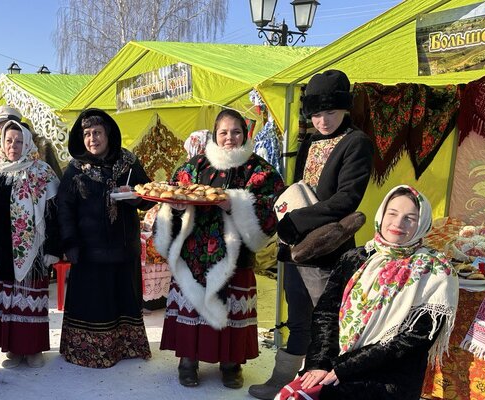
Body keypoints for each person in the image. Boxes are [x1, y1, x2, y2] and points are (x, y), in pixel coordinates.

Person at [250, 70, 374, 399]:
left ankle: (326, 388)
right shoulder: (309, 141)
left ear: (344, 109)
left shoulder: (356, 142)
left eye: (329, 112)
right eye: (316, 114)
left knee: (328, 319)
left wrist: (297, 220)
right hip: (295, 246)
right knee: (297, 315)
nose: (322, 120)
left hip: (329, 248)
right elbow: (299, 188)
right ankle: (283, 381)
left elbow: (347, 199)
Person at [276, 186, 458, 399]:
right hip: (336, 361)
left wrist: (343, 368)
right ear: (381, 215)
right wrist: (320, 363)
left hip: (389, 376)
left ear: (423, 223)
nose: (398, 223)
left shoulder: (435, 270)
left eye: (410, 218)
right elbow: (326, 314)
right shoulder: (356, 257)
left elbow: (414, 339)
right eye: (392, 213)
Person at [154, 109, 283, 389]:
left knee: (230, 306)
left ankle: (230, 363)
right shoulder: (196, 165)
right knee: (192, 301)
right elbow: (174, 193)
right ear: (215, 134)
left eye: (236, 132)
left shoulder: (258, 169)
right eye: (223, 132)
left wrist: (233, 203)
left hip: (234, 256)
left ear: (245, 134)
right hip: (194, 252)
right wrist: (176, 208)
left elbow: (272, 207)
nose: (229, 138)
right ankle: (188, 360)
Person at [57, 108, 153, 368]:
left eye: (97, 133)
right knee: (94, 300)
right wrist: (69, 243)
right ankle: (86, 350)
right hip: (89, 251)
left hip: (124, 247)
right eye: (87, 134)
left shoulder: (128, 162)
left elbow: (147, 195)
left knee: (123, 297)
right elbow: (64, 208)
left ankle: (125, 348)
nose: (92, 139)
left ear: (108, 134)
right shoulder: (75, 169)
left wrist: (136, 197)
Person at [0, 120, 62, 368]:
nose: (13, 145)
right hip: (0, 248)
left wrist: (53, 248)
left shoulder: (42, 171)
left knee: (30, 298)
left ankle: (33, 348)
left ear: (27, 143)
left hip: (33, 246)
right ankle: (13, 349)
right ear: (1, 143)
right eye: (8, 140)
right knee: (8, 299)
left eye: (18, 141)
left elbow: (53, 212)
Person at [0, 105, 63, 178]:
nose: (2, 131)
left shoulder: (41, 146)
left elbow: (54, 175)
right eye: (0, 128)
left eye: (6, 126)